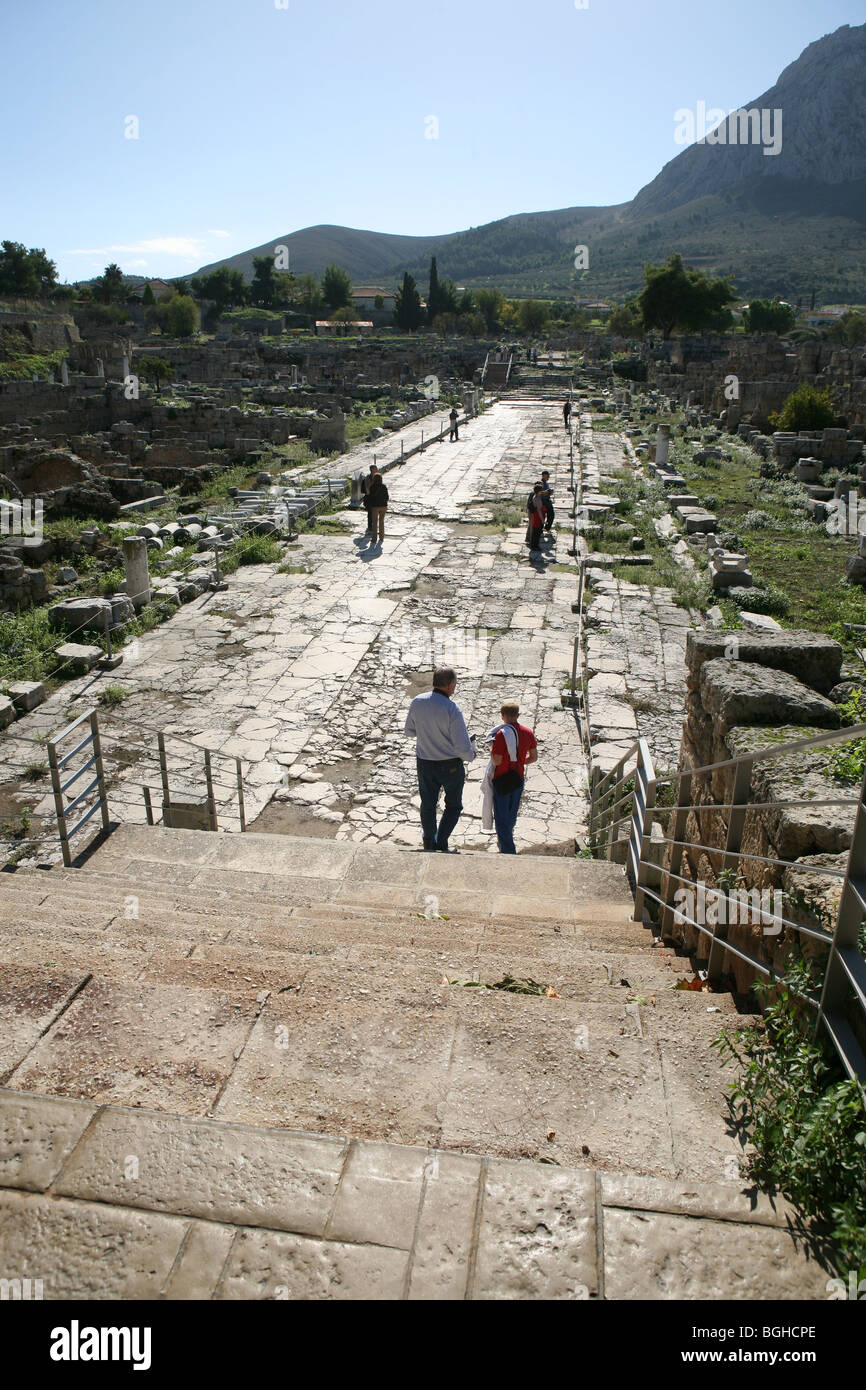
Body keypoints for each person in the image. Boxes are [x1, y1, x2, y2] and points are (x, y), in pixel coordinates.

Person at [403, 667, 476, 852]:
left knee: (427, 803)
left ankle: (428, 841)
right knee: (453, 805)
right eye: (455, 684)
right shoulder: (452, 709)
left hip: (425, 762)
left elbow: (409, 731)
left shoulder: (417, 701)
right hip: (450, 764)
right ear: (450, 685)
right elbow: (461, 745)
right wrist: (471, 755)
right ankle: (441, 841)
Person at [489, 701, 538, 854]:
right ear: (518, 716)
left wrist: (491, 753)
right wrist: (520, 762)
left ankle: (508, 849)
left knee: (501, 813)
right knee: (512, 811)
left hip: (502, 778)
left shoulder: (501, 734)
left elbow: (497, 760)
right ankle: (506, 838)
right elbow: (534, 757)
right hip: (518, 777)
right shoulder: (528, 732)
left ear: (502, 716)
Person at [367, 468, 389, 544]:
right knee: (381, 521)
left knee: (374, 522)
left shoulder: (372, 487)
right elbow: (387, 497)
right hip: (383, 506)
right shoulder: (384, 487)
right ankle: (381, 537)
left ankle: (374, 538)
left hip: (375, 506)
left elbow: (370, 497)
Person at [525, 483, 546, 550]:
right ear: (539, 491)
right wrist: (542, 519)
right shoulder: (537, 499)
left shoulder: (535, 496)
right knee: (536, 531)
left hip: (535, 516)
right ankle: (534, 546)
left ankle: (534, 545)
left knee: (535, 531)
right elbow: (539, 510)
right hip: (537, 516)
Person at [360, 463, 379, 534]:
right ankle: (370, 526)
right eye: (375, 468)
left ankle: (374, 525)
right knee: (370, 513)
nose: (377, 469)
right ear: (372, 470)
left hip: (375, 498)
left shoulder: (377, 477)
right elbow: (367, 489)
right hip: (369, 498)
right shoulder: (368, 478)